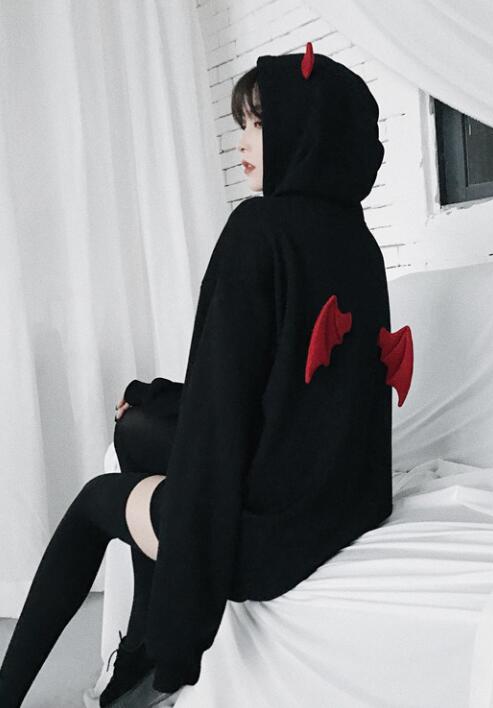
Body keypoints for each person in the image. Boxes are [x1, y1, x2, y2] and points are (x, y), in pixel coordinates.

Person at [0, 41, 395, 707]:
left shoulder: (259, 228)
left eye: (259, 123)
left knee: (96, 500)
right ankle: (138, 648)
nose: (241, 140)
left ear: (304, 128)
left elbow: (222, 415)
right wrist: (151, 399)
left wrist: (187, 623)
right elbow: (279, 392)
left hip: (270, 535)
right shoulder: (359, 243)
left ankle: (16, 689)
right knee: (138, 427)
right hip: (333, 505)